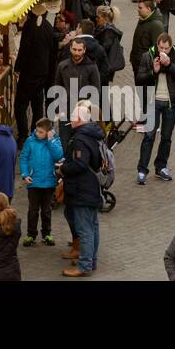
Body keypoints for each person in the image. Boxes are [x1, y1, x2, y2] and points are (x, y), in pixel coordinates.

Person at [133, 32, 175, 185]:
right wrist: (154, 71)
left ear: (171, 47)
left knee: (166, 137)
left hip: (171, 103)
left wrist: (170, 65)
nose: (163, 51)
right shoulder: (147, 56)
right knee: (149, 135)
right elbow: (139, 79)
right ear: (157, 45)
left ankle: (161, 167)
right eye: (161, 47)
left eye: (167, 48)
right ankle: (142, 169)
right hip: (153, 102)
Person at [58, 99, 104, 278]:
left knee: (85, 229)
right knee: (92, 227)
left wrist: (63, 169)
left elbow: (80, 164)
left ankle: (84, 266)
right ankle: (90, 261)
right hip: (91, 187)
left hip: (82, 189)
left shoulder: (79, 139)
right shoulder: (94, 134)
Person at [14, 7, 58, 138]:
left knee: (20, 105)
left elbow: (24, 48)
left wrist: (18, 67)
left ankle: (23, 135)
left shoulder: (29, 25)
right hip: (43, 73)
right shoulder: (48, 27)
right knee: (37, 104)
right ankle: (36, 132)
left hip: (29, 72)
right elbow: (52, 54)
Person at [18, 118, 63, 246]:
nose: (37, 134)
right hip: (33, 182)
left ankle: (46, 233)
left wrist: (49, 141)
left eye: (41, 132)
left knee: (46, 210)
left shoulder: (54, 141)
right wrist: (25, 174)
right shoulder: (30, 141)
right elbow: (23, 158)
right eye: (37, 131)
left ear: (49, 132)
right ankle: (31, 234)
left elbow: (59, 155)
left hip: (49, 182)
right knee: (32, 210)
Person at [53, 34, 100, 149]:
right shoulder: (62, 66)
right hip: (66, 113)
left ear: (84, 50)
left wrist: (86, 109)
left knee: (82, 146)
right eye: (74, 49)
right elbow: (58, 88)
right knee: (65, 145)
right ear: (70, 49)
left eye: (79, 50)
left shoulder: (92, 68)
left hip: (83, 115)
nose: (77, 53)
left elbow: (96, 91)